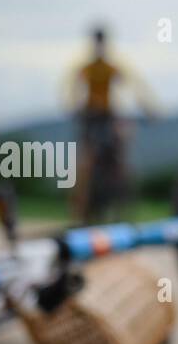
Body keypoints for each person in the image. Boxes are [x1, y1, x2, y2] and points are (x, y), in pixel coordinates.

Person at [63, 25, 159, 224]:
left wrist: (147, 107)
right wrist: (73, 106)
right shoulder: (87, 68)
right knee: (86, 162)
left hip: (108, 116)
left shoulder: (110, 67)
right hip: (91, 116)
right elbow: (73, 87)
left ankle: (122, 204)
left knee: (119, 154)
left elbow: (135, 85)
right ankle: (79, 212)